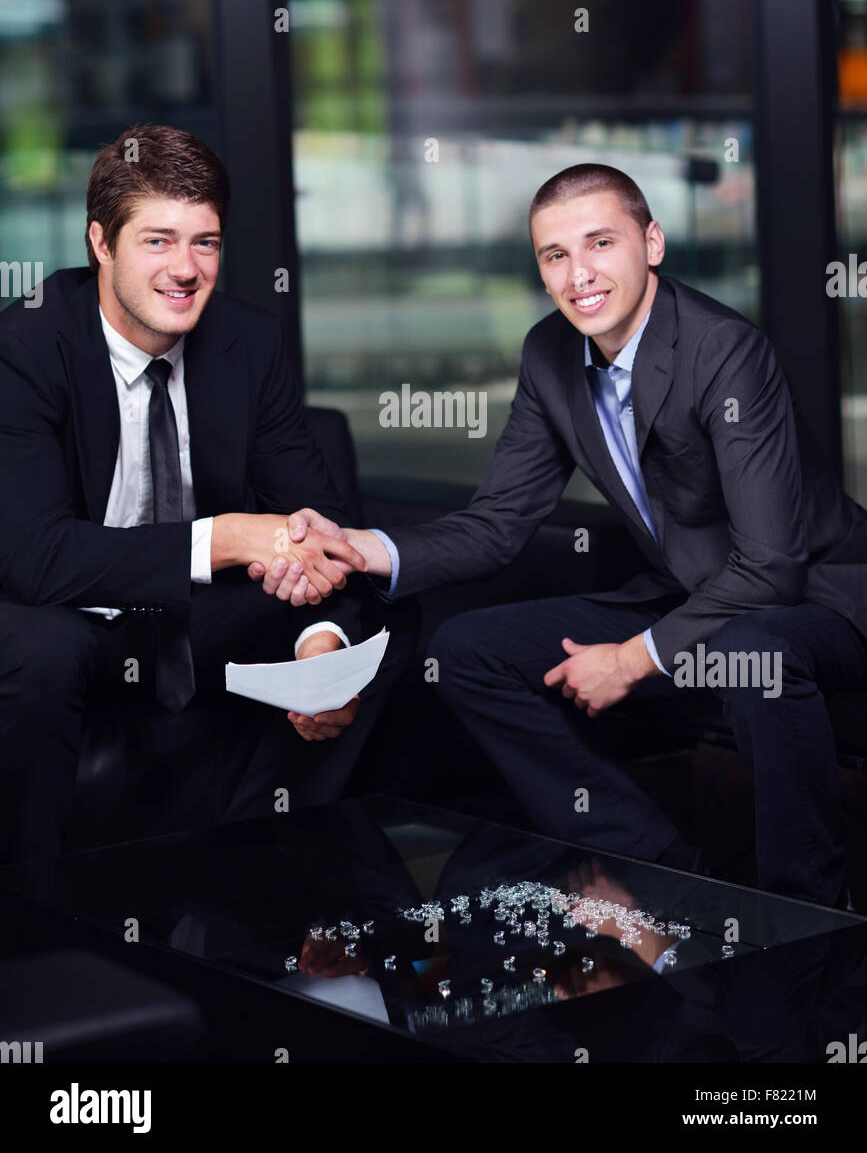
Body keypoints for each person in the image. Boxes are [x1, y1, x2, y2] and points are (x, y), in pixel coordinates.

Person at [280, 163, 867, 908]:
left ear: (650, 243)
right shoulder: (550, 354)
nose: (578, 274)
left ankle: (806, 908)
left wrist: (629, 659)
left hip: (822, 602)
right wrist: (366, 548)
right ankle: (662, 874)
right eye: (554, 255)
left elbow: (773, 567)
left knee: (750, 650)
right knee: (466, 652)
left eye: (599, 243)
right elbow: (497, 525)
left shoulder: (723, 350)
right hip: (690, 596)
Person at [0, 123, 384, 867]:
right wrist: (234, 537)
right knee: (45, 647)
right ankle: (31, 920)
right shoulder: (26, 345)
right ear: (101, 244)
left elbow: (321, 526)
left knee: (386, 611)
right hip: (58, 610)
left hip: (184, 619)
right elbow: (34, 555)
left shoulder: (247, 342)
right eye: (157, 241)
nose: (185, 269)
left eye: (204, 242)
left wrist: (321, 647)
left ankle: (249, 876)